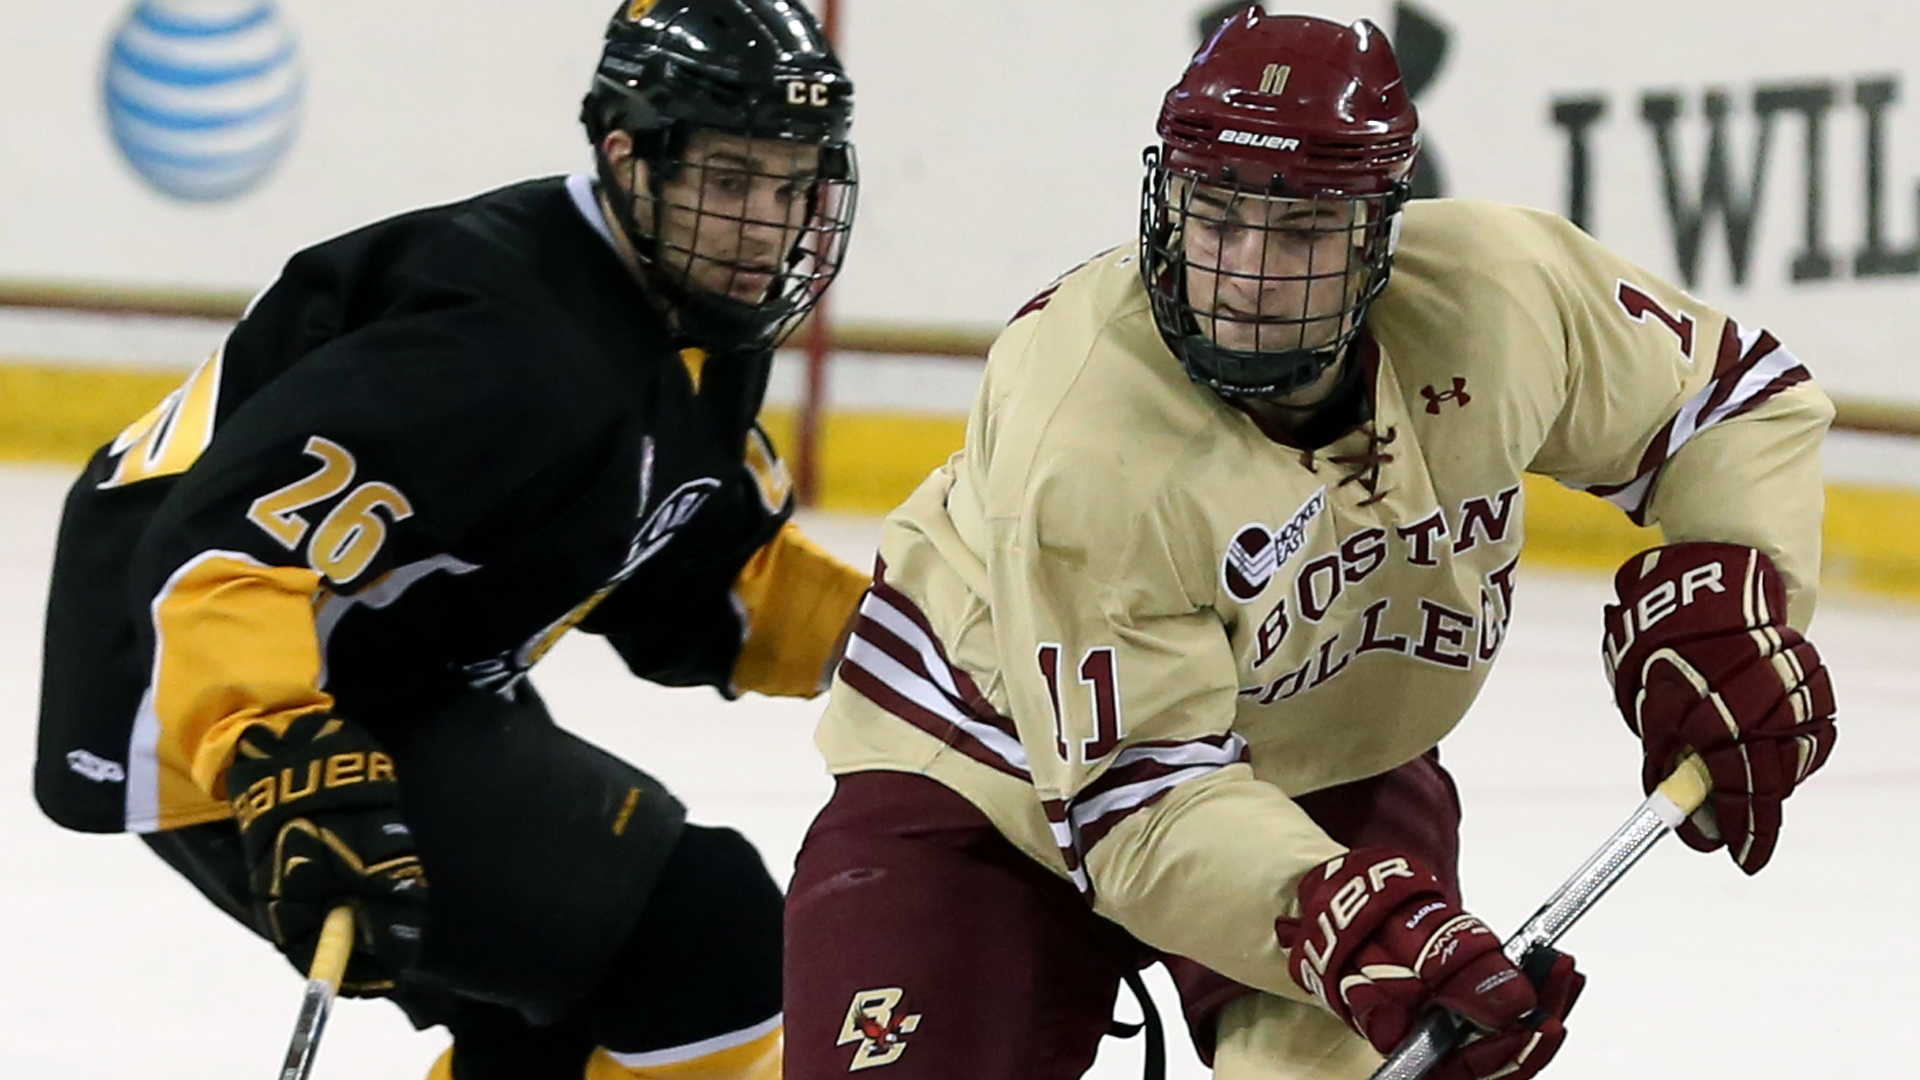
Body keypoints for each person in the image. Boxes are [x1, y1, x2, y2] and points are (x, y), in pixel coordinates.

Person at [783, 9, 1836, 1080]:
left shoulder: (1499, 298)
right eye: (1220, 219)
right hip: (981, 774)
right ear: (1164, 208)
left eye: (1301, 235)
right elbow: (1136, 806)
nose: (1246, 275)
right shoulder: (1083, 423)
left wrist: (1730, 593)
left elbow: (1730, 398)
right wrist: (1348, 927)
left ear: (1381, 232)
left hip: (1330, 765)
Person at [33, 2, 867, 1078]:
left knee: (567, 1010)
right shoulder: (503, 343)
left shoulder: (677, 301)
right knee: (703, 943)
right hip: (198, 671)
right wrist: (280, 745)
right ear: (626, 153)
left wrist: (936, 655)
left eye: (793, 184)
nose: (765, 225)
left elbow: (703, 570)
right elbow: (230, 547)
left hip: (380, 661)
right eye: (728, 180)